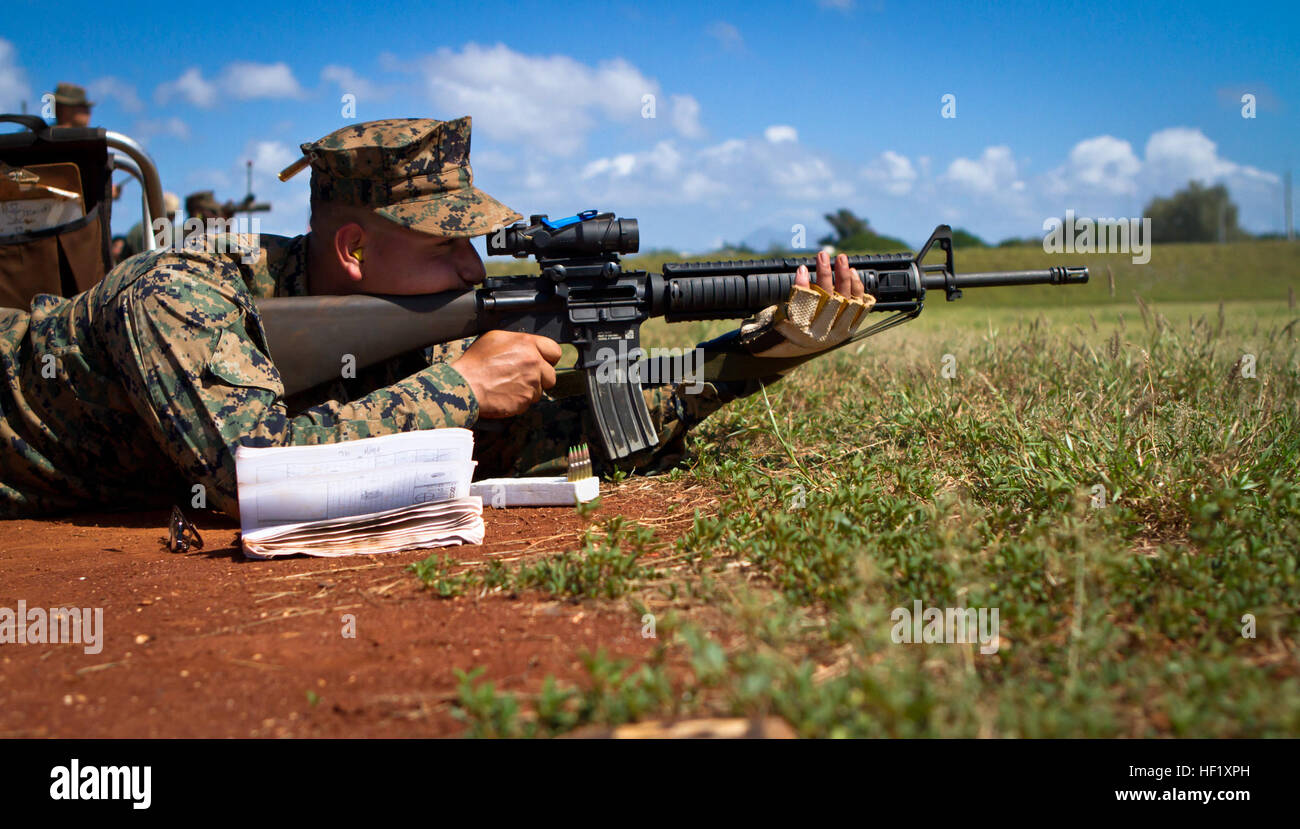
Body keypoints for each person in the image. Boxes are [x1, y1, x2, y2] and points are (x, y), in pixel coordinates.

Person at [0, 117, 864, 518]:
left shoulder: (397, 321)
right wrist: (458, 387)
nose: (473, 267)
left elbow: (558, 436)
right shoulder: (179, 294)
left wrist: (761, 352)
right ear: (353, 251)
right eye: (448, 244)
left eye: (477, 242)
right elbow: (242, 475)